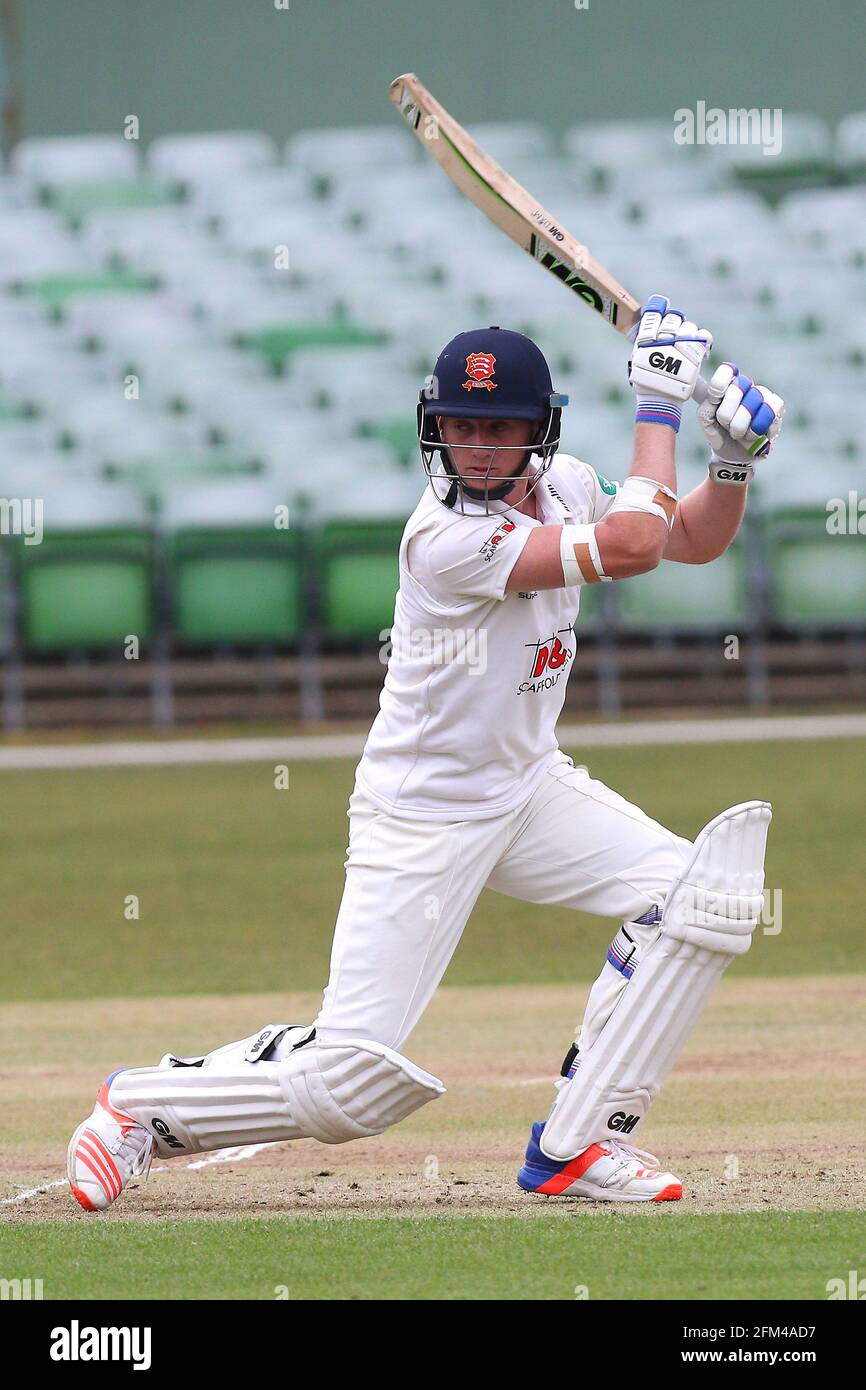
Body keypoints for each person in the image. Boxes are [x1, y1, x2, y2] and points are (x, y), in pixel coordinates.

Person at [67, 296, 783, 1210]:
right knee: (348, 1088)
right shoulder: (444, 540)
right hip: (423, 815)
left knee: (702, 901)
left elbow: (690, 539)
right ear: (434, 427)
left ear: (539, 433)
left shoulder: (567, 483)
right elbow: (636, 545)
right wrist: (658, 402)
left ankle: (577, 1147)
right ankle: (138, 1107)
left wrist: (731, 460)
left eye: (501, 427)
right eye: (460, 425)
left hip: (527, 790)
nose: (478, 447)